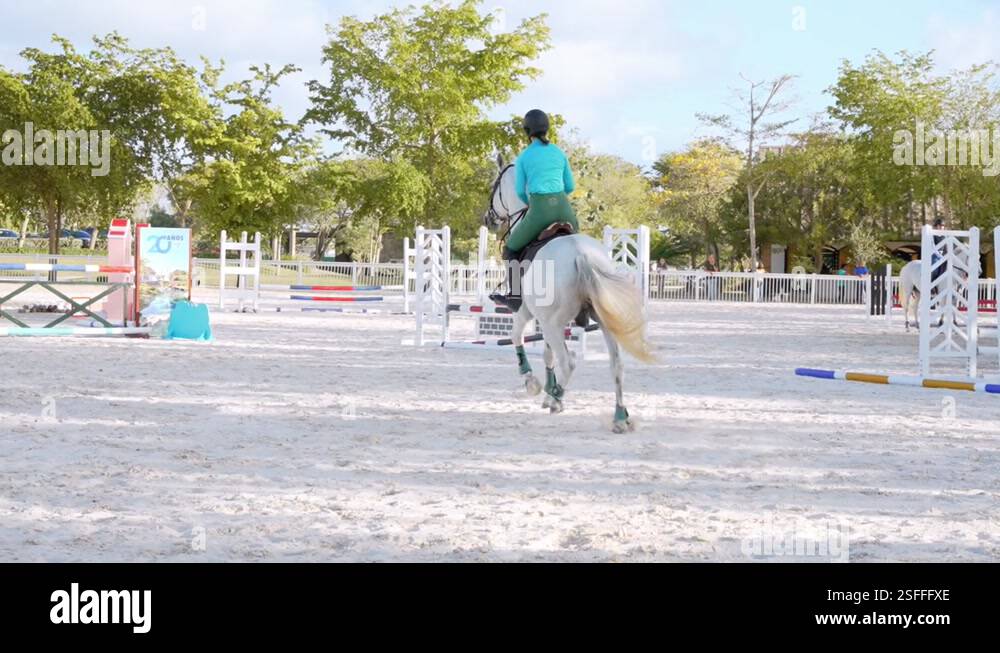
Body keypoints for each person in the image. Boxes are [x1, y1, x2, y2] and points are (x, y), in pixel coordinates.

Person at [491, 110, 578, 310]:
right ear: (546, 128)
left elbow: (520, 191)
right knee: (578, 247)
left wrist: (533, 202)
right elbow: (570, 187)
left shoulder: (524, 157)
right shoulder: (558, 152)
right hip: (566, 210)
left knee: (510, 249)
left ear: (527, 131)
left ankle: (514, 298)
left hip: (540, 210)